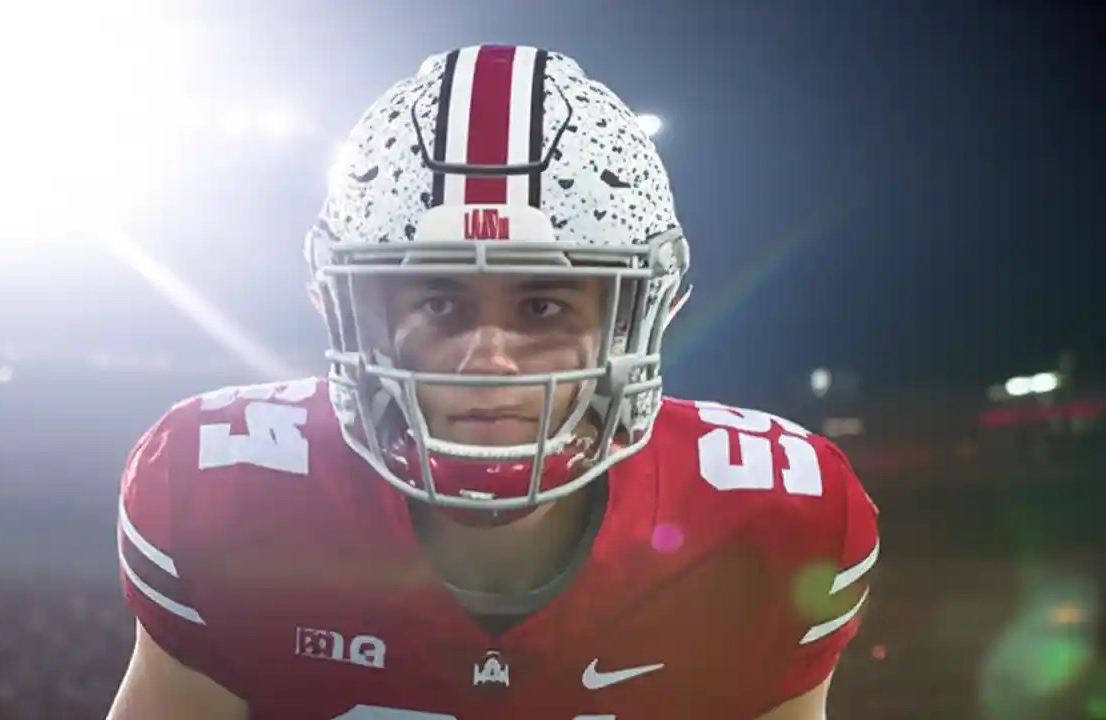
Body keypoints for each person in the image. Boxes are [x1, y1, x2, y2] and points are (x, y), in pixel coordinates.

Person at [108, 44, 879, 720]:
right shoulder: (225, 497)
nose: (491, 358)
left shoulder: (773, 523)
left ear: (637, 318)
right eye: (439, 300)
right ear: (354, 315)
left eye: (542, 304)